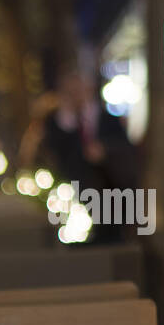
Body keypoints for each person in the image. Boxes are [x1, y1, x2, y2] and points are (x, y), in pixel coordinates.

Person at [37, 69, 138, 243]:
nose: (76, 96)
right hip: (73, 187)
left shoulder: (108, 119)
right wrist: (66, 119)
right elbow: (53, 151)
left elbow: (125, 147)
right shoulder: (57, 122)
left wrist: (104, 150)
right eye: (70, 92)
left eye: (79, 90)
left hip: (108, 191)